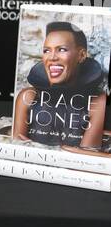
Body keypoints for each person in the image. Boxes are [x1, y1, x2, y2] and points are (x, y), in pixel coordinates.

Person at [12, 20, 107, 151]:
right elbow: (17, 149)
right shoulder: (27, 97)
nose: (52, 57)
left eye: (61, 49)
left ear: (81, 55)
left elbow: (86, 157)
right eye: (46, 50)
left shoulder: (97, 101)